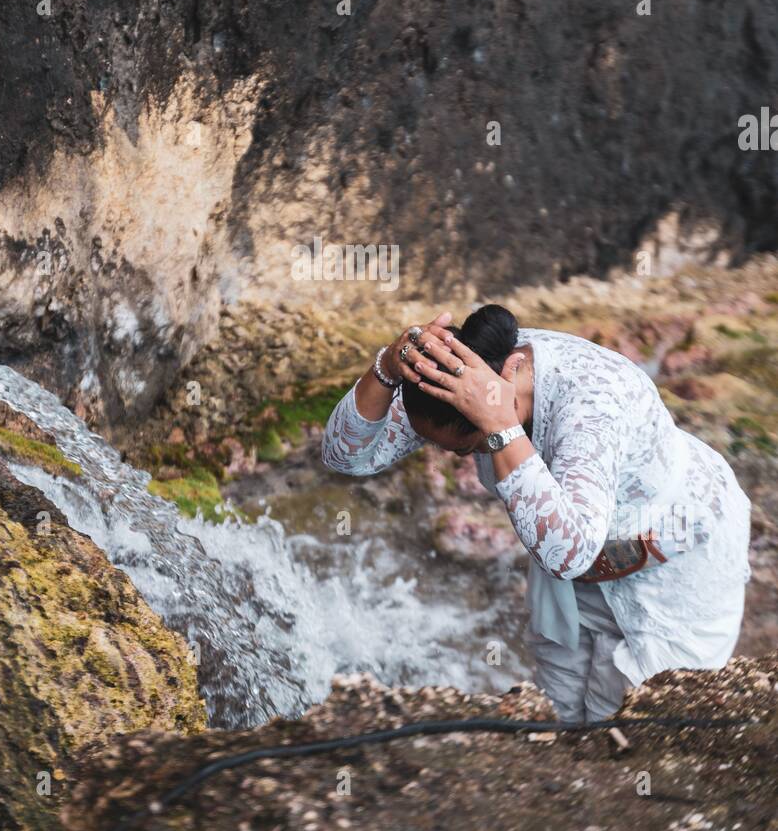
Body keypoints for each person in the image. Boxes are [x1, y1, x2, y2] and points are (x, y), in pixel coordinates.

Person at [321, 305, 751, 723]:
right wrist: (387, 368)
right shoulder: (468, 374)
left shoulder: (592, 400)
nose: (452, 455)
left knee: (632, 727)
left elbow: (570, 552)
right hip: (577, 576)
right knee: (558, 718)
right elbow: (346, 456)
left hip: (676, 570)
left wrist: (498, 427)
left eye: (462, 449)